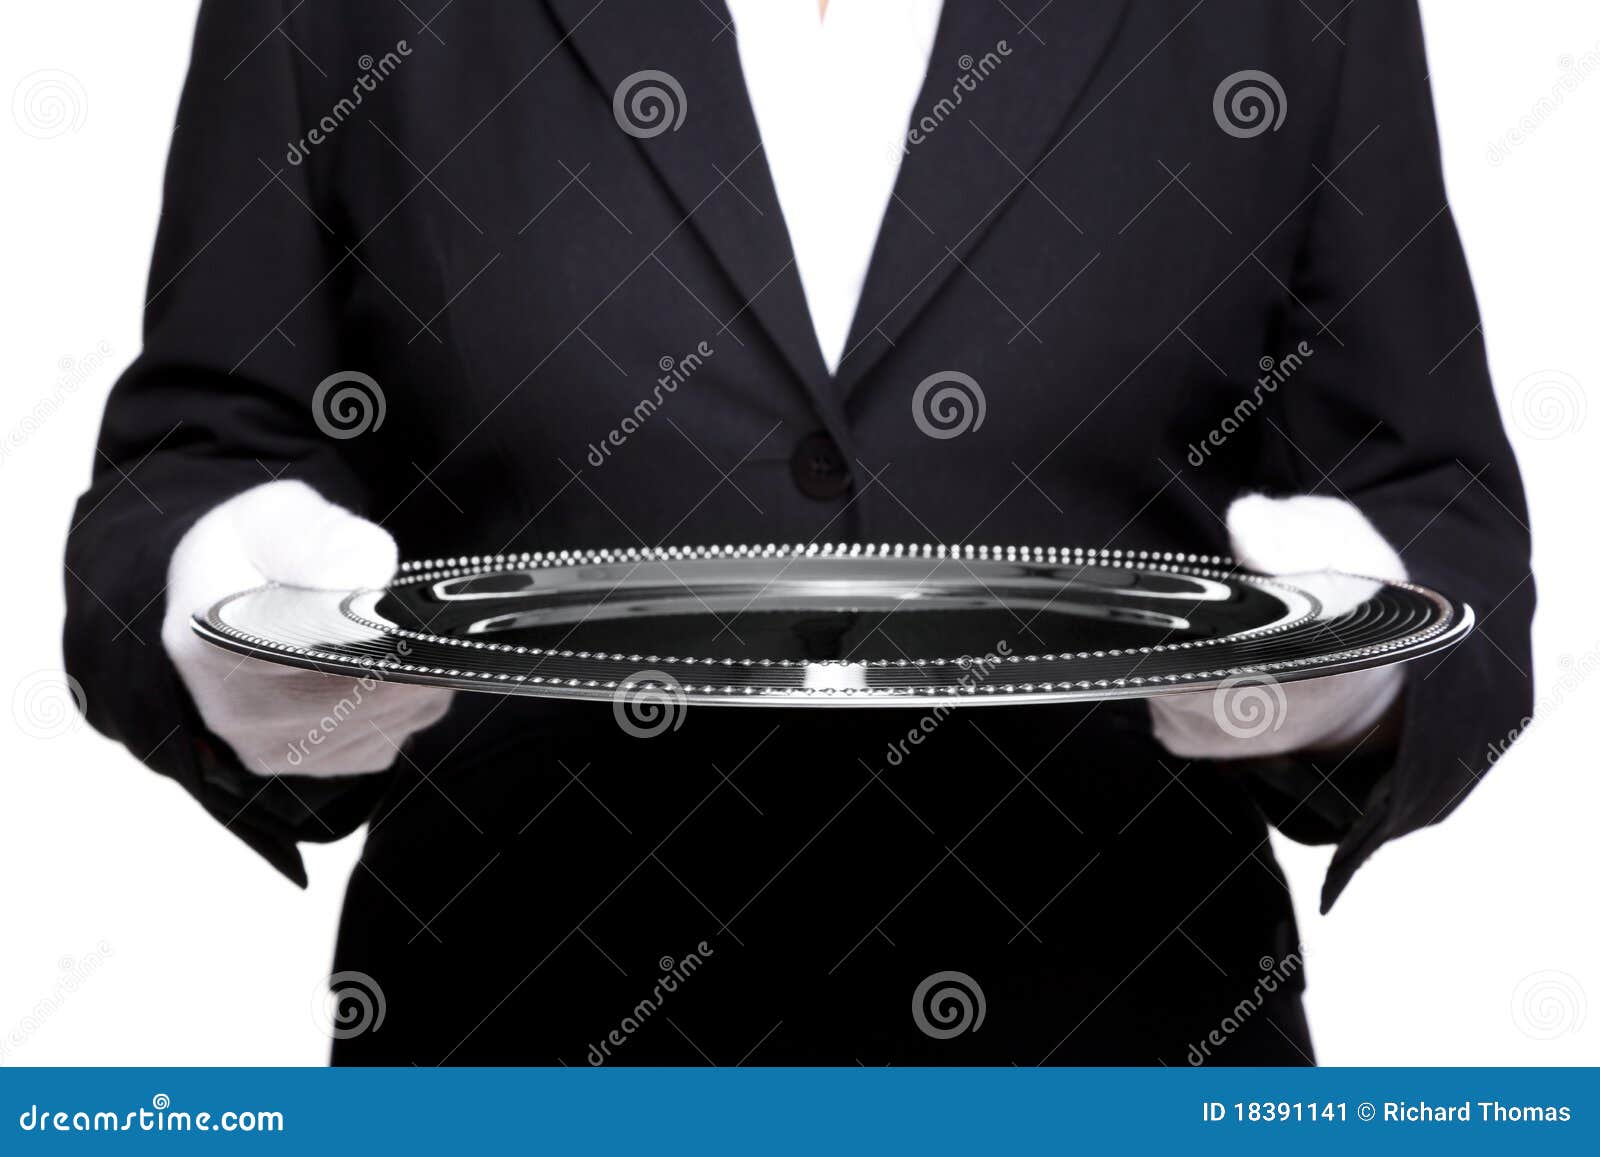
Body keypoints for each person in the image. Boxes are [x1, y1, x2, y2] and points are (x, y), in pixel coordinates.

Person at [64, 0, 1533, 1065]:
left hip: (1119, 1046)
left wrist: (1362, 676)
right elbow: (182, 473)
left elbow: (1446, 521)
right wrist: (215, 609)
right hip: (520, 1043)